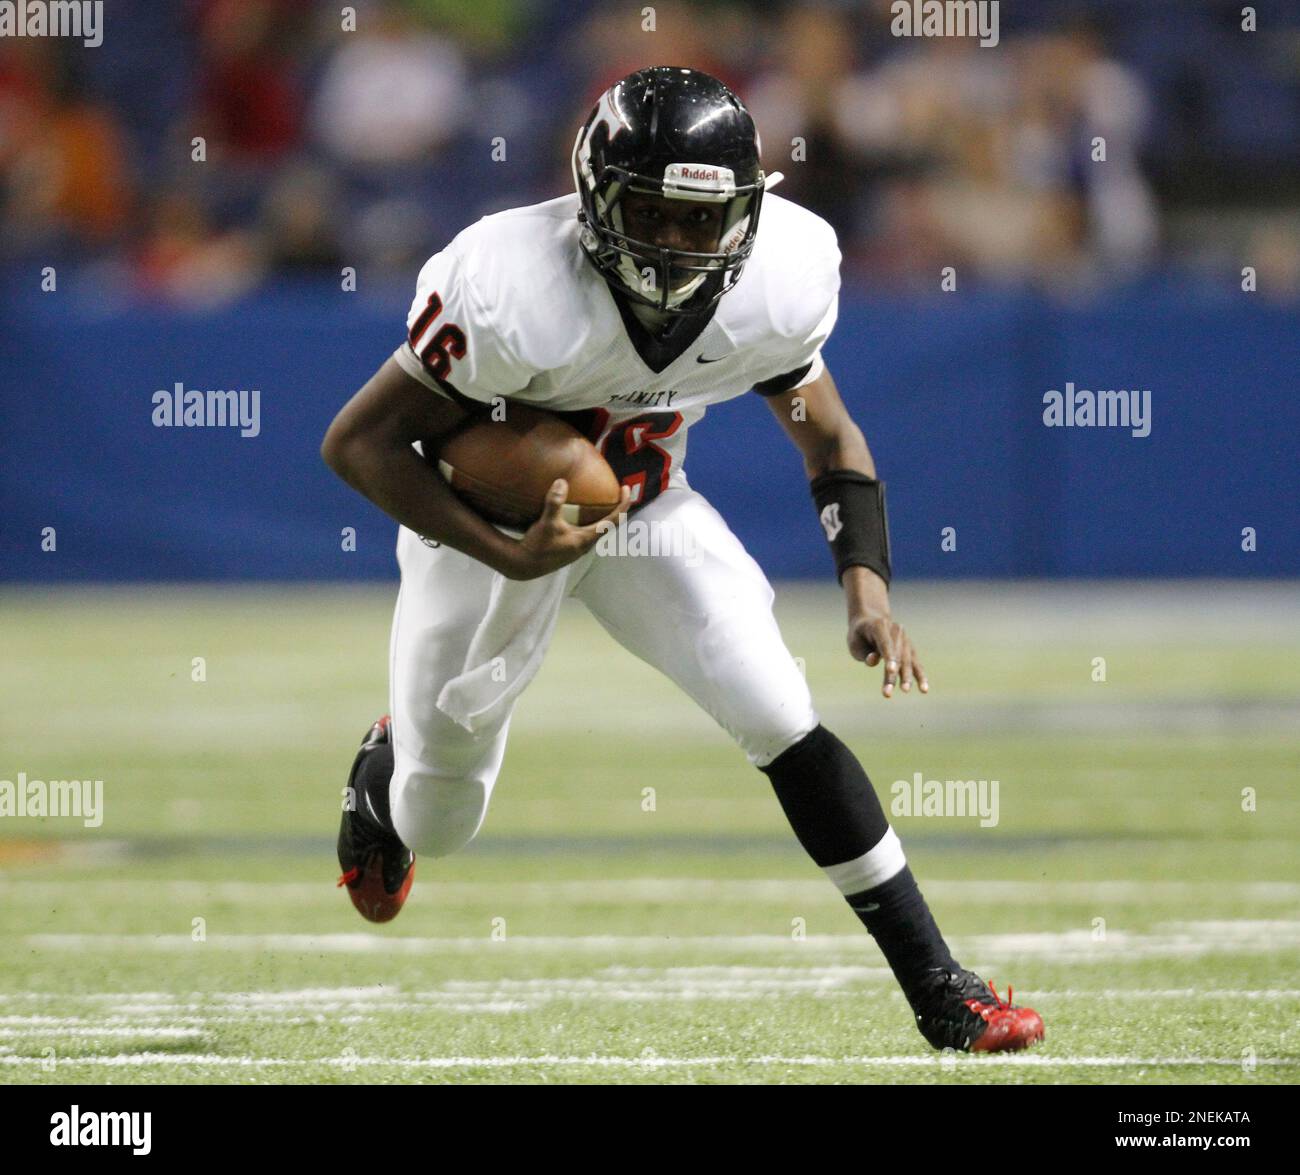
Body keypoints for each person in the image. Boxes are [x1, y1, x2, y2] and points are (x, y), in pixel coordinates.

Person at [321, 66, 1043, 1053]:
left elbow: (830, 441)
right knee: (441, 820)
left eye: (707, 222)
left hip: (646, 509)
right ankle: (389, 765)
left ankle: (939, 985)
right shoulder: (506, 280)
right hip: (488, 525)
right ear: (599, 202)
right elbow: (358, 442)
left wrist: (864, 588)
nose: (682, 245)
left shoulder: (780, 278)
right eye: (656, 215)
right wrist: (506, 548)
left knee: (778, 710)